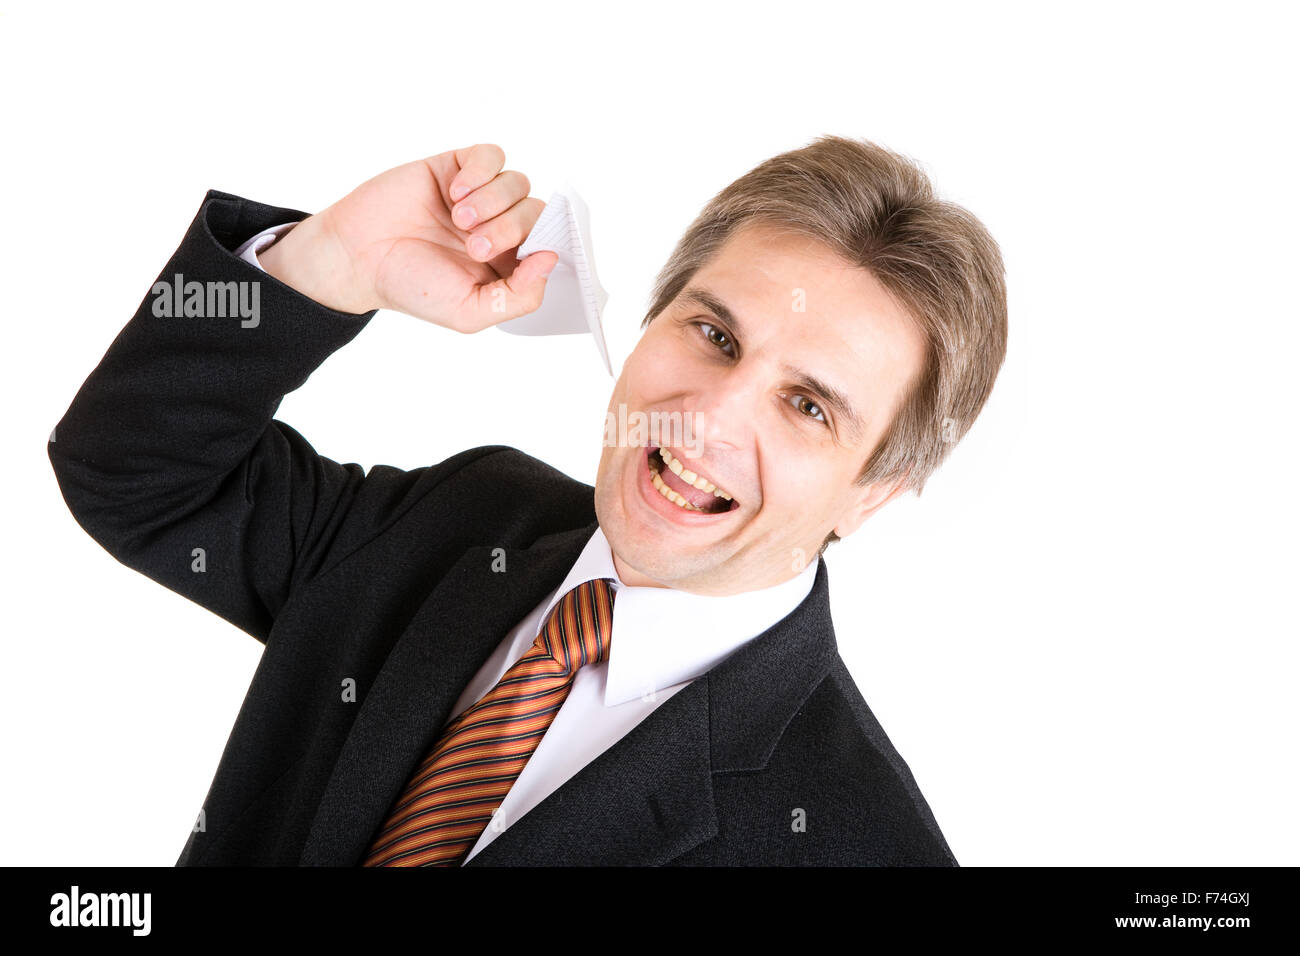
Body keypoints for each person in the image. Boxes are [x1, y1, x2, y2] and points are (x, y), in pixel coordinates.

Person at [48, 137, 1006, 866]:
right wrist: (327, 266)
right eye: (713, 333)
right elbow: (133, 476)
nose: (704, 420)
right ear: (647, 324)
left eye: (806, 406)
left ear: (873, 491)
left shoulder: (858, 841)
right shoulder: (466, 520)